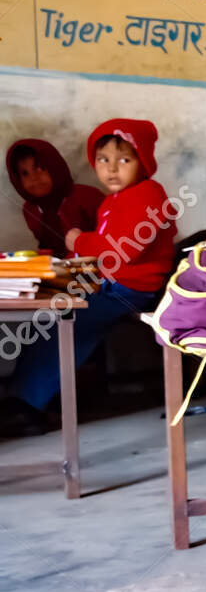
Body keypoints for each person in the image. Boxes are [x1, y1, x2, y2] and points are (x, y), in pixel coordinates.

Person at [1, 120, 176, 437]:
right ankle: (27, 398)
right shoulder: (112, 201)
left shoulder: (149, 193)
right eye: (103, 160)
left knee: (66, 319)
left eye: (124, 160)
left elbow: (124, 251)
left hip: (131, 288)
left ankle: (29, 406)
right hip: (106, 282)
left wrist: (79, 241)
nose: (111, 169)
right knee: (46, 315)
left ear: (144, 162)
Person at [5, 139, 101, 258]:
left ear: (55, 167)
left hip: (96, 266)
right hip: (56, 269)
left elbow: (109, 239)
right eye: (25, 174)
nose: (34, 177)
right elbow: (48, 248)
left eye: (40, 168)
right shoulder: (30, 209)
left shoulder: (87, 196)